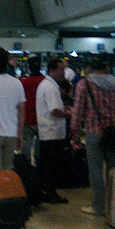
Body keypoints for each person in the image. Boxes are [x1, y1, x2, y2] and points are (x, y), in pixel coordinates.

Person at [70, 59, 115, 216]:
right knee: (114, 170)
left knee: (95, 171)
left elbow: (78, 111)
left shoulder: (84, 84)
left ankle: (99, 206)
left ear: (90, 68)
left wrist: (74, 132)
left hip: (94, 131)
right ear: (106, 67)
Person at [35, 58, 71, 204]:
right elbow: (54, 110)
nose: (63, 72)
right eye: (61, 69)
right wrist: (69, 115)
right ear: (52, 70)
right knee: (51, 166)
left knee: (46, 165)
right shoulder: (50, 87)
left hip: (47, 132)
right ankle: (50, 193)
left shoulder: (47, 85)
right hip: (52, 133)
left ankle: (44, 191)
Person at [20, 55, 44, 162]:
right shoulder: (45, 81)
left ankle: (27, 172)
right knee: (40, 147)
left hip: (27, 118)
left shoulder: (23, 82)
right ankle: (39, 170)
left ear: (28, 67)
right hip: (42, 118)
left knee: (26, 146)